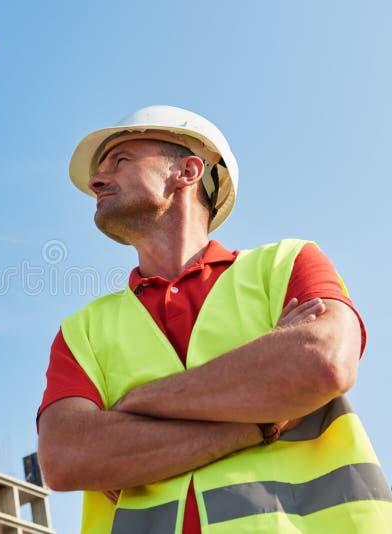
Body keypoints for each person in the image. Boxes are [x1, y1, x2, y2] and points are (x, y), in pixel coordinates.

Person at [36, 105, 392, 533]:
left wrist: (135, 404)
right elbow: (65, 457)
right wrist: (261, 420)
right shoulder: (83, 329)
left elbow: (324, 362)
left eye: (121, 160)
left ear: (187, 171)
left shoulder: (286, 264)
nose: (96, 179)